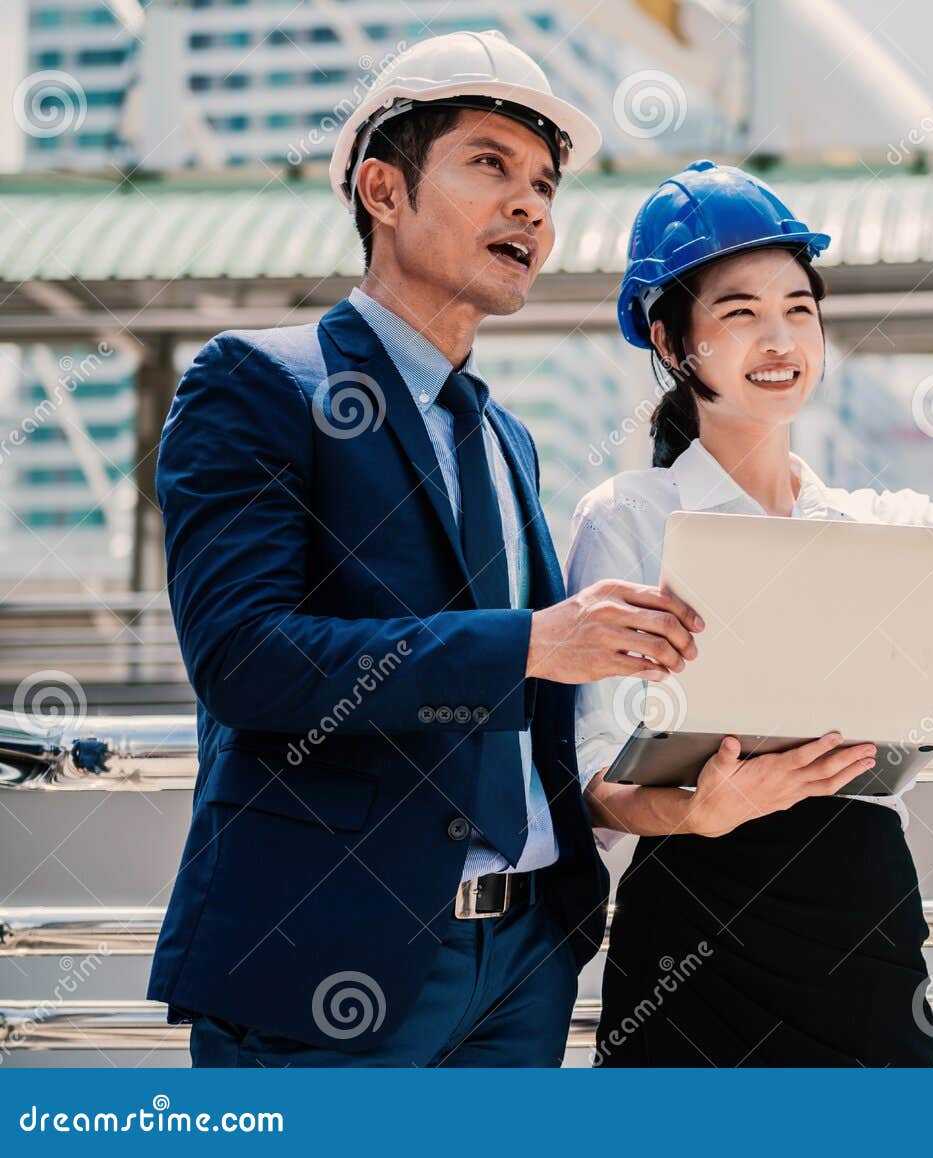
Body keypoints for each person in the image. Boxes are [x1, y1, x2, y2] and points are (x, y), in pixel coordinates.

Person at [147, 31, 703, 1067]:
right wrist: (529, 644)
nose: (531, 205)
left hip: (522, 966)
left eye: (544, 182)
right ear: (383, 191)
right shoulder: (258, 387)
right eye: (489, 164)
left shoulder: (506, 437)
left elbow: (530, 714)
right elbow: (244, 661)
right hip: (325, 964)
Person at [566, 160, 933, 1066]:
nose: (779, 338)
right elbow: (596, 777)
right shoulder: (630, 517)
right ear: (670, 337)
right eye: (739, 312)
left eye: (800, 309)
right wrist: (702, 810)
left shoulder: (881, 529)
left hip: (860, 938)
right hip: (693, 942)